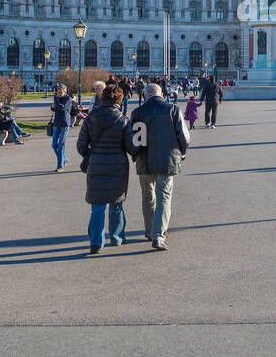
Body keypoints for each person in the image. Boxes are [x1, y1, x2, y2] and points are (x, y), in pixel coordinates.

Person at [75, 84, 135, 254]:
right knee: (116, 203)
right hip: (117, 166)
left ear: (102, 98)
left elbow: (81, 146)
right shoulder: (123, 120)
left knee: (98, 205)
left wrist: (91, 155)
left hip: (96, 164)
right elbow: (131, 147)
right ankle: (117, 238)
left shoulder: (91, 117)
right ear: (119, 99)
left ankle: (96, 243)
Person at [130, 83, 190, 250]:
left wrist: (136, 155)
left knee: (148, 197)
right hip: (167, 160)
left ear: (145, 95)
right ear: (162, 93)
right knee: (164, 197)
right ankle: (158, 235)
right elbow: (184, 136)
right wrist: (182, 153)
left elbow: (135, 140)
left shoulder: (137, 112)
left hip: (145, 161)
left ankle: (149, 230)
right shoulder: (173, 110)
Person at [48, 84, 74, 171]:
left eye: (60, 92)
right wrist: (52, 106)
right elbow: (53, 108)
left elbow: (60, 107)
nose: (58, 94)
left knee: (60, 146)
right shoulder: (58, 99)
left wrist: (55, 99)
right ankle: (65, 158)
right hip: (56, 124)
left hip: (64, 124)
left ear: (65, 92)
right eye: (57, 92)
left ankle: (60, 166)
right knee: (54, 145)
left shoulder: (68, 99)